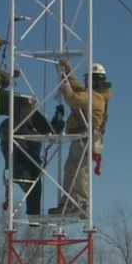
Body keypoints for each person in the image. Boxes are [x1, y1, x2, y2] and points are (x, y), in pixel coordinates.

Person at [49, 60, 111, 217]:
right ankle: (69, 202)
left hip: (86, 137)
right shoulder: (93, 95)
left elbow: (74, 98)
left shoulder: (96, 98)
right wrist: (69, 72)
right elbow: (78, 89)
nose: (86, 82)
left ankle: (81, 203)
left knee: (79, 171)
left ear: (95, 80)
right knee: (71, 170)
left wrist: (66, 89)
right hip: (81, 136)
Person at [0, 95, 53, 216]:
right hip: (22, 165)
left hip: (24, 165)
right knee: (34, 181)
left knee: (34, 182)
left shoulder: (25, 121)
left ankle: (34, 216)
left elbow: (49, 129)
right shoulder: (15, 124)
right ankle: (34, 215)